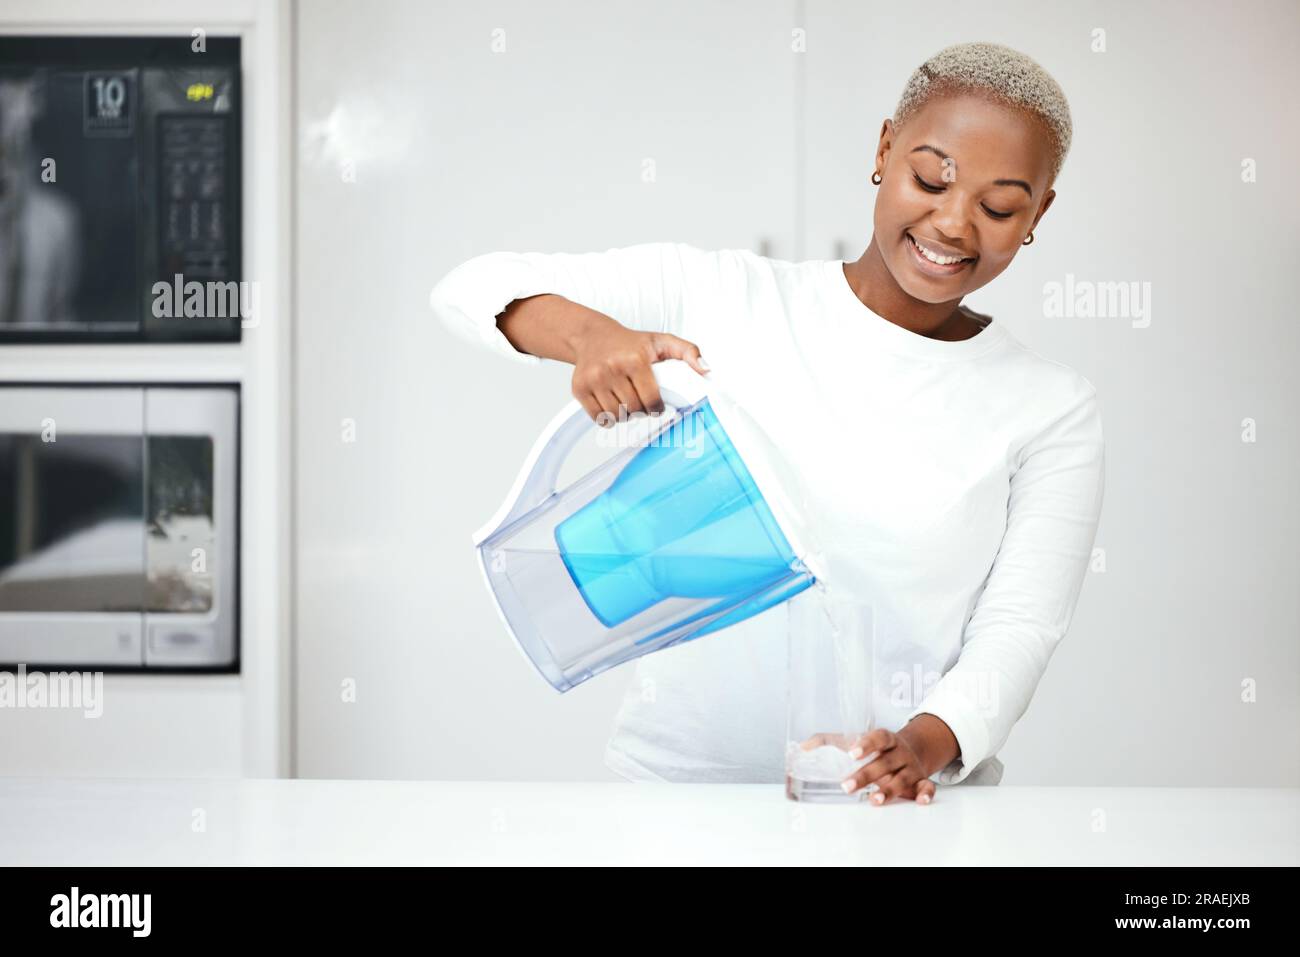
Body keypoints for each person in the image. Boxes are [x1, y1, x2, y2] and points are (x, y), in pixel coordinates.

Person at [430, 41, 1105, 805]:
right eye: (930, 178)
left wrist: (918, 745)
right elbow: (469, 288)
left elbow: (1020, 627)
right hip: (675, 804)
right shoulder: (724, 295)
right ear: (885, 150)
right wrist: (591, 338)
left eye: (999, 206)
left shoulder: (1050, 406)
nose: (953, 224)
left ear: (1038, 213)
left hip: (895, 809)